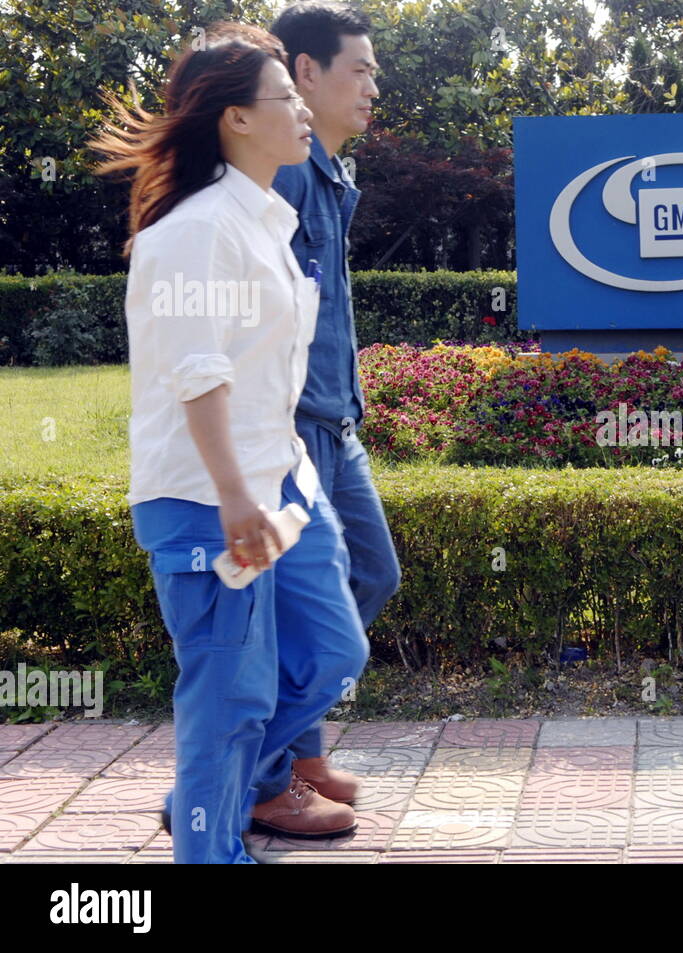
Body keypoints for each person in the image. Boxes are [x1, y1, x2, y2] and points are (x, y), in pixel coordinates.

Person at [90, 21, 369, 863]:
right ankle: (211, 841)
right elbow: (199, 372)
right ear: (237, 119)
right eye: (285, 96)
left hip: (280, 485)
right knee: (229, 699)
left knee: (334, 652)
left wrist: (284, 489)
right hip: (209, 502)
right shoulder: (193, 231)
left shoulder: (267, 223)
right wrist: (238, 495)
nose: (302, 111)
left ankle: (214, 783)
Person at [265, 0, 401, 802]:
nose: (374, 87)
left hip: (333, 420)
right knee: (313, 605)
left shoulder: (326, 169)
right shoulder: (280, 170)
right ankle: (270, 770)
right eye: (361, 69)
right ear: (305, 72)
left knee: (372, 573)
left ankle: (298, 751)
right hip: (291, 425)